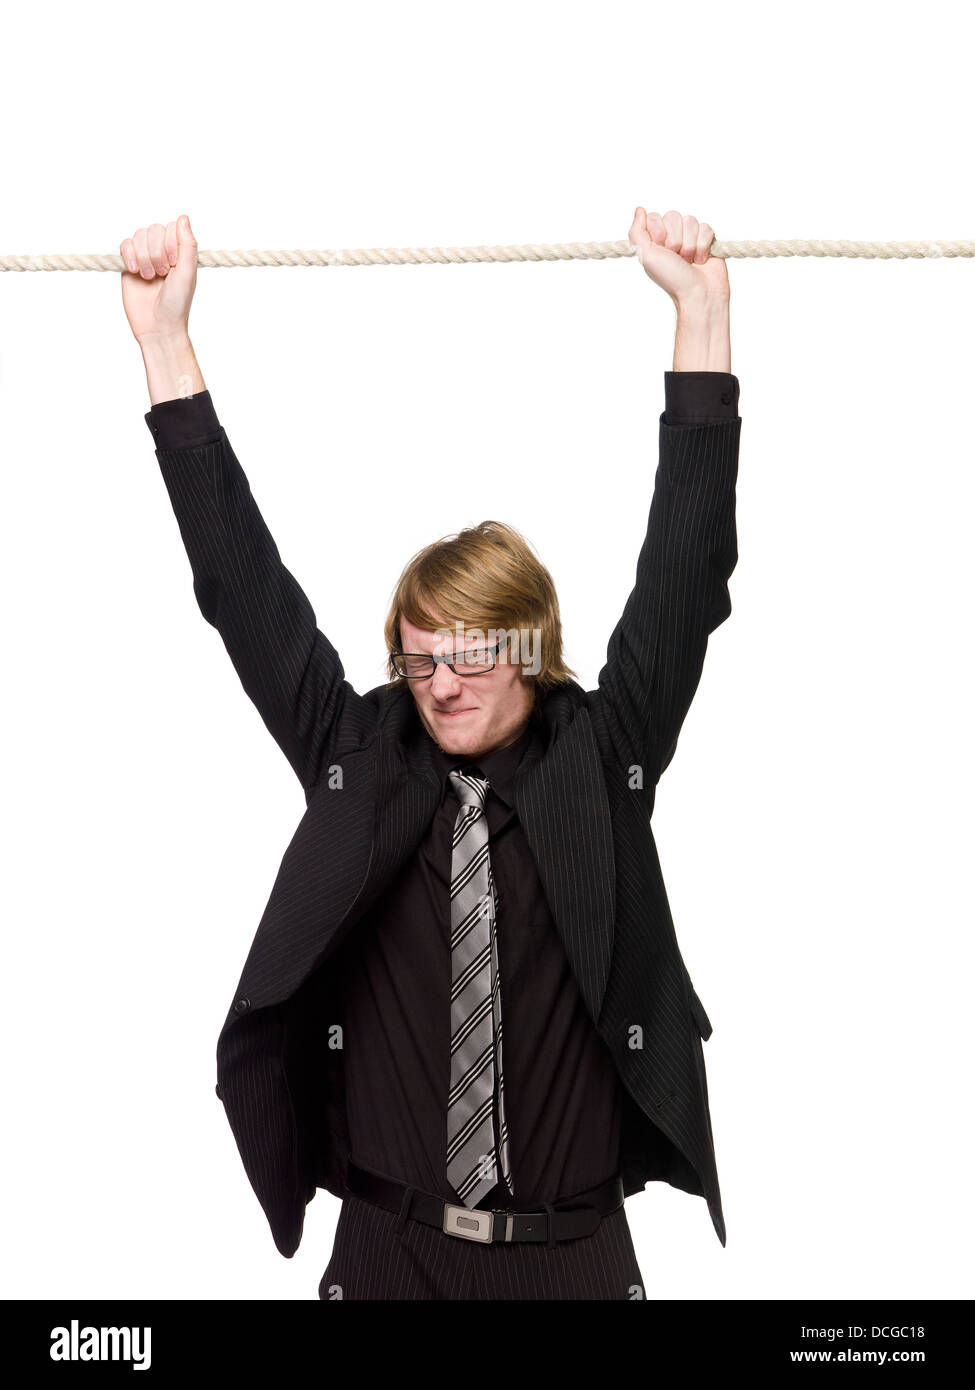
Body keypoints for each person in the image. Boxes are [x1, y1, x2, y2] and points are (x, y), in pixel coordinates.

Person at [121, 207, 741, 1300]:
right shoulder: (358, 753)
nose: (443, 683)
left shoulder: (604, 754)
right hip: (387, 1250)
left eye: (471, 656)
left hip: (573, 1259)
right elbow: (244, 592)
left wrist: (701, 313)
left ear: (533, 646)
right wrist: (165, 346)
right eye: (419, 660)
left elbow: (686, 573)